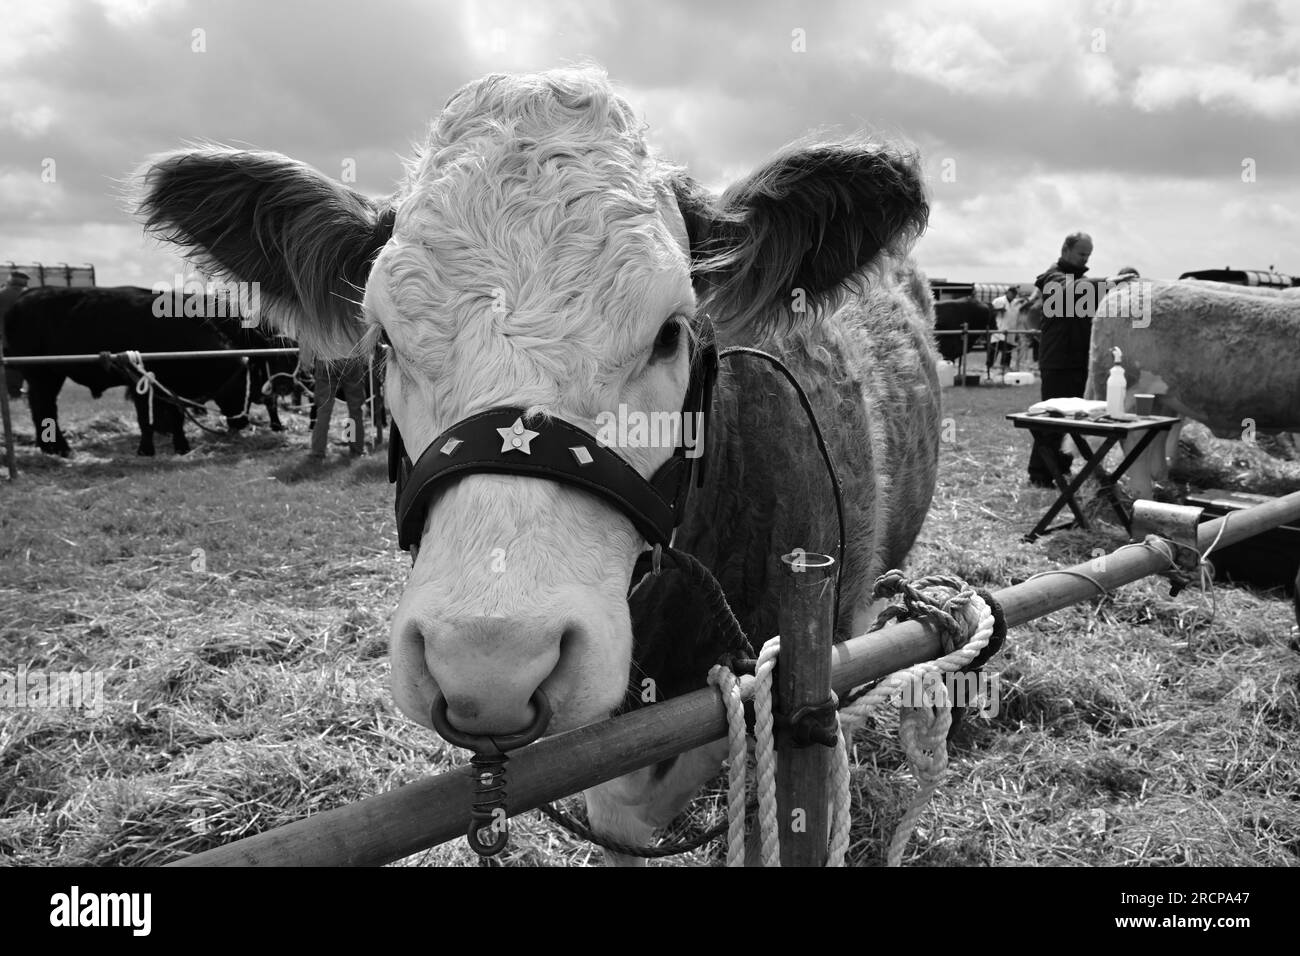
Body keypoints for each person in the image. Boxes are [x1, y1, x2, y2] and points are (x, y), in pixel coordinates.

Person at [1027, 232, 1093, 488]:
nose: (1085, 258)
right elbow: (1065, 292)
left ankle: (1061, 468)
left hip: (1079, 359)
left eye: (1088, 255)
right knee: (1052, 419)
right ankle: (1040, 473)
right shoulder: (1052, 278)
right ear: (1065, 250)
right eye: (1081, 254)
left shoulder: (1083, 282)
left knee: (1073, 418)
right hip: (1057, 360)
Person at [306, 341, 367, 460]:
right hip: (351, 358)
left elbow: (307, 335)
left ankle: (318, 452)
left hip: (325, 359)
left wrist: (306, 360)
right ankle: (357, 450)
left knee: (323, 410)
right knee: (355, 410)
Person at [1, 271, 31, 398]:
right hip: (32, 340)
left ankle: (14, 393)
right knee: (32, 366)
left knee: (12, 366)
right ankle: (32, 392)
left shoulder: (2, 294)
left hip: (9, 339)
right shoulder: (29, 294)